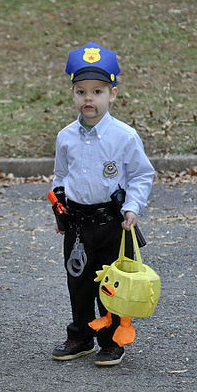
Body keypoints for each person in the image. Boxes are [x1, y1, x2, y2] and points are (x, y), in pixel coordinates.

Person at [51, 42, 154, 366]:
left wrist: (132, 207)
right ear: (73, 94)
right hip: (78, 225)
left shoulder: (124, 136)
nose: (88, 99)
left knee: (112, 285)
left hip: (112, 224)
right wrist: (59, 204)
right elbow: (60, 174)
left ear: (112, 94)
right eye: (81, 92)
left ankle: (110, 339)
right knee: (78, 281)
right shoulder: (65, 136)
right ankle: (81, 336)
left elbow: (141, 174)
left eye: (97, 91)